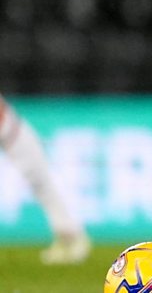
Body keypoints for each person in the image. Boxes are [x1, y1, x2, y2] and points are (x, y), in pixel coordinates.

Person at [0, 94, 91, 264]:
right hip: (12, 139)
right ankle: (67, 236)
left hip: (17, 140)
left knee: (44, 188)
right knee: (43, 189)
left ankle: (73, 237)